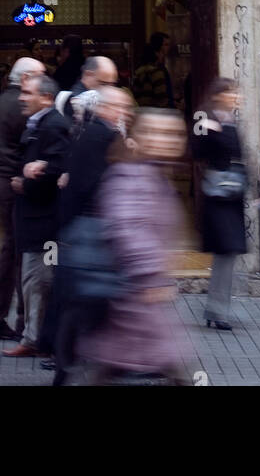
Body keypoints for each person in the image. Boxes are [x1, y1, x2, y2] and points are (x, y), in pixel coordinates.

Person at [78, 108, 190, 384]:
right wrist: (150, 276)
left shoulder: (152, 174)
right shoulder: (131, 177)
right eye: (155, 132)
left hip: (135, 298)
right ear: (136, 138)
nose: (167, 140)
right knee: (164, 362)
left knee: (114, 364)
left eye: (174, 134)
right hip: (137, 294)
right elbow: (128, 226)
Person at [44, 84, 135, 384]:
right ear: (107, 109)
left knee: (82, 303)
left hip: (85, 232)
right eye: (122, 107)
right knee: (87, 304)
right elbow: (92, 187)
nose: (126, 113)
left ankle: (68, 363)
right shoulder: (103, 137)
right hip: (91, 234)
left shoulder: (97, 134)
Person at [4, 74, 70, 358]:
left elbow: (55, 170)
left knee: (39, 280)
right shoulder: (39, 124)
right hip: (34, 220)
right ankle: (34, 337)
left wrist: (25, 182)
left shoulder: (53, 126)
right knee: (34, 280)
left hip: (43, 223)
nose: (21, 97)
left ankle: (36, 340)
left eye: (27, 92)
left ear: (45, 97)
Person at [0, 55, 45, 341]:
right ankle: (14, 320)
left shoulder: (0, 100)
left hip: (1, 180)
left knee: (11, 251)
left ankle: (1, 319)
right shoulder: (19, 104)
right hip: (13, 183)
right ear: (27, 78)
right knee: (18, 253)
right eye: (40, 76)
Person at [193, 78, 246, 332]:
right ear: (219, 95)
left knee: (228, 252)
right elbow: (196, 149)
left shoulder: (230, 121)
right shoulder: (206, 117)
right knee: (226, 250)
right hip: (218, 195)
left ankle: (218, 308)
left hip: (232, 194)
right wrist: (211, 129)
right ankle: (217, 310)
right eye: (233, 93)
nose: (237, 97)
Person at [56, 55, 118, 128]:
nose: (109, 89)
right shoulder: (75, 100)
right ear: (88, 74)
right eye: (103, 84)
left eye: (112, 85)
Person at [133, 32, 173, 108]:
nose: (168, 48)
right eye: (166, 45)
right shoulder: (157, 71)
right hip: (156, 112)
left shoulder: (139, 70)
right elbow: (162, 97)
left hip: (143, 111)